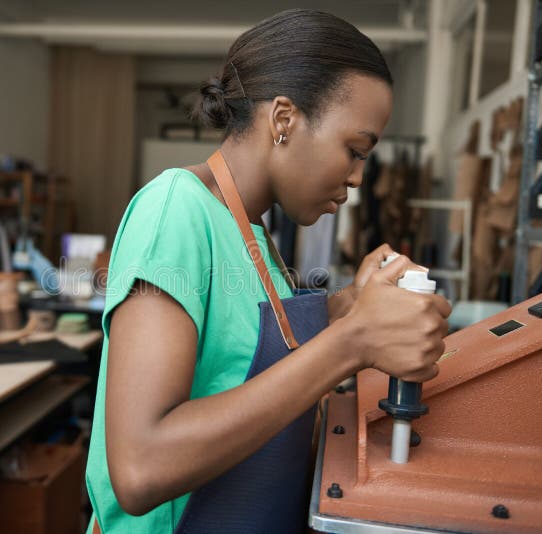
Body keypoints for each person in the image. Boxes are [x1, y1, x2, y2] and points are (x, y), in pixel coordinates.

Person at [85, 8, 450, 534]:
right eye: (354, 150)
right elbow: (141, 469)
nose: (357, 177)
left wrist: (346, 305)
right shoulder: (176, 211)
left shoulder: (252, 232)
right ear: (284, 120)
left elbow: (236, 348)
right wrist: (350, 341)